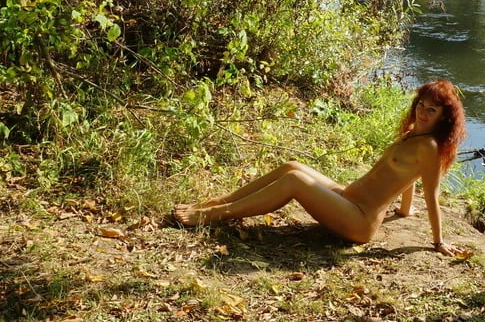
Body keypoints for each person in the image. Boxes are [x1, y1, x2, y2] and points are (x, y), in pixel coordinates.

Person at [172, 80, 467, 255]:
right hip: (349, 198)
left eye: (432, 110)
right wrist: (404, 211)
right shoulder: (414, 134)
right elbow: (409, 177)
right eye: (421, 105)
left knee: (296, 181)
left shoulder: (429, 147)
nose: (423, 113)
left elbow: (432, 192)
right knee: (292, 165)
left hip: (359, 220)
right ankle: (220, 201)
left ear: (444, 117)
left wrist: (439, 242)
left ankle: (212, 215)